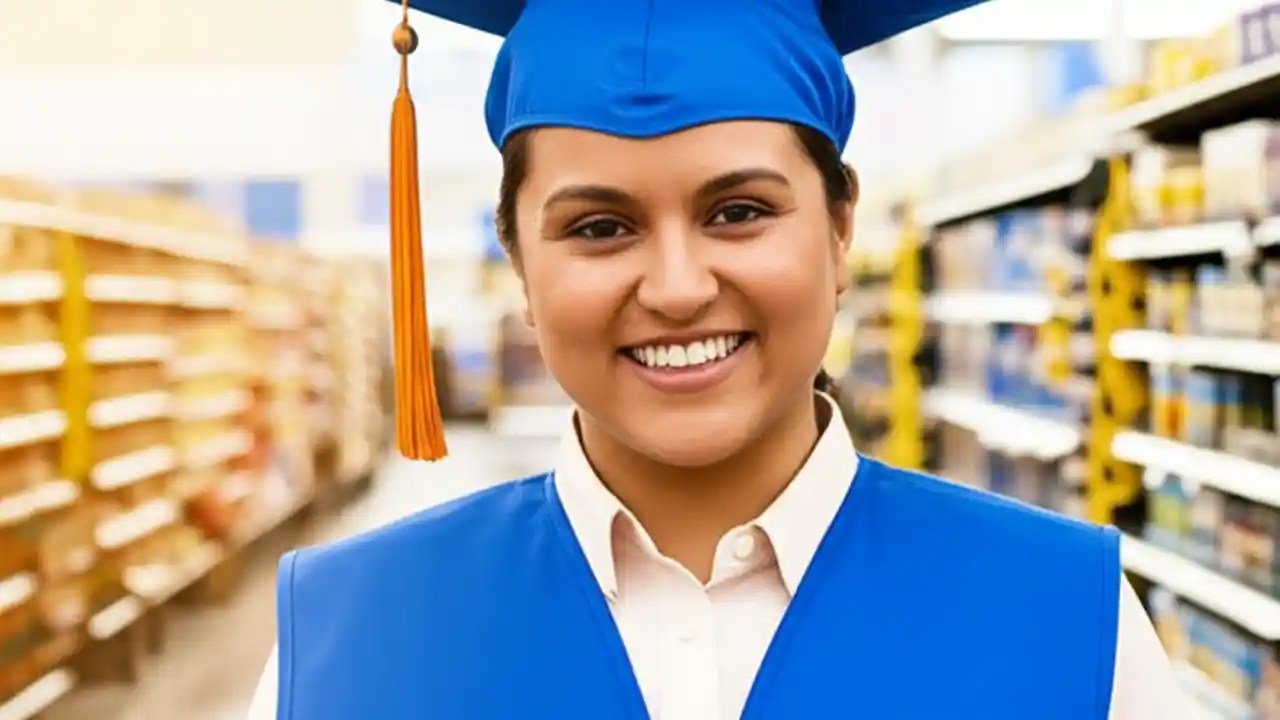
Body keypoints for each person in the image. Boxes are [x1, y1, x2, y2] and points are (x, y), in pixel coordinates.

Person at [248, 0, 1191, 717]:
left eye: (738, 212)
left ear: (839, 229)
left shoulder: (1071, 620)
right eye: (600, 226)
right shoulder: (343, 640)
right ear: (520, 267)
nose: (676, 286)